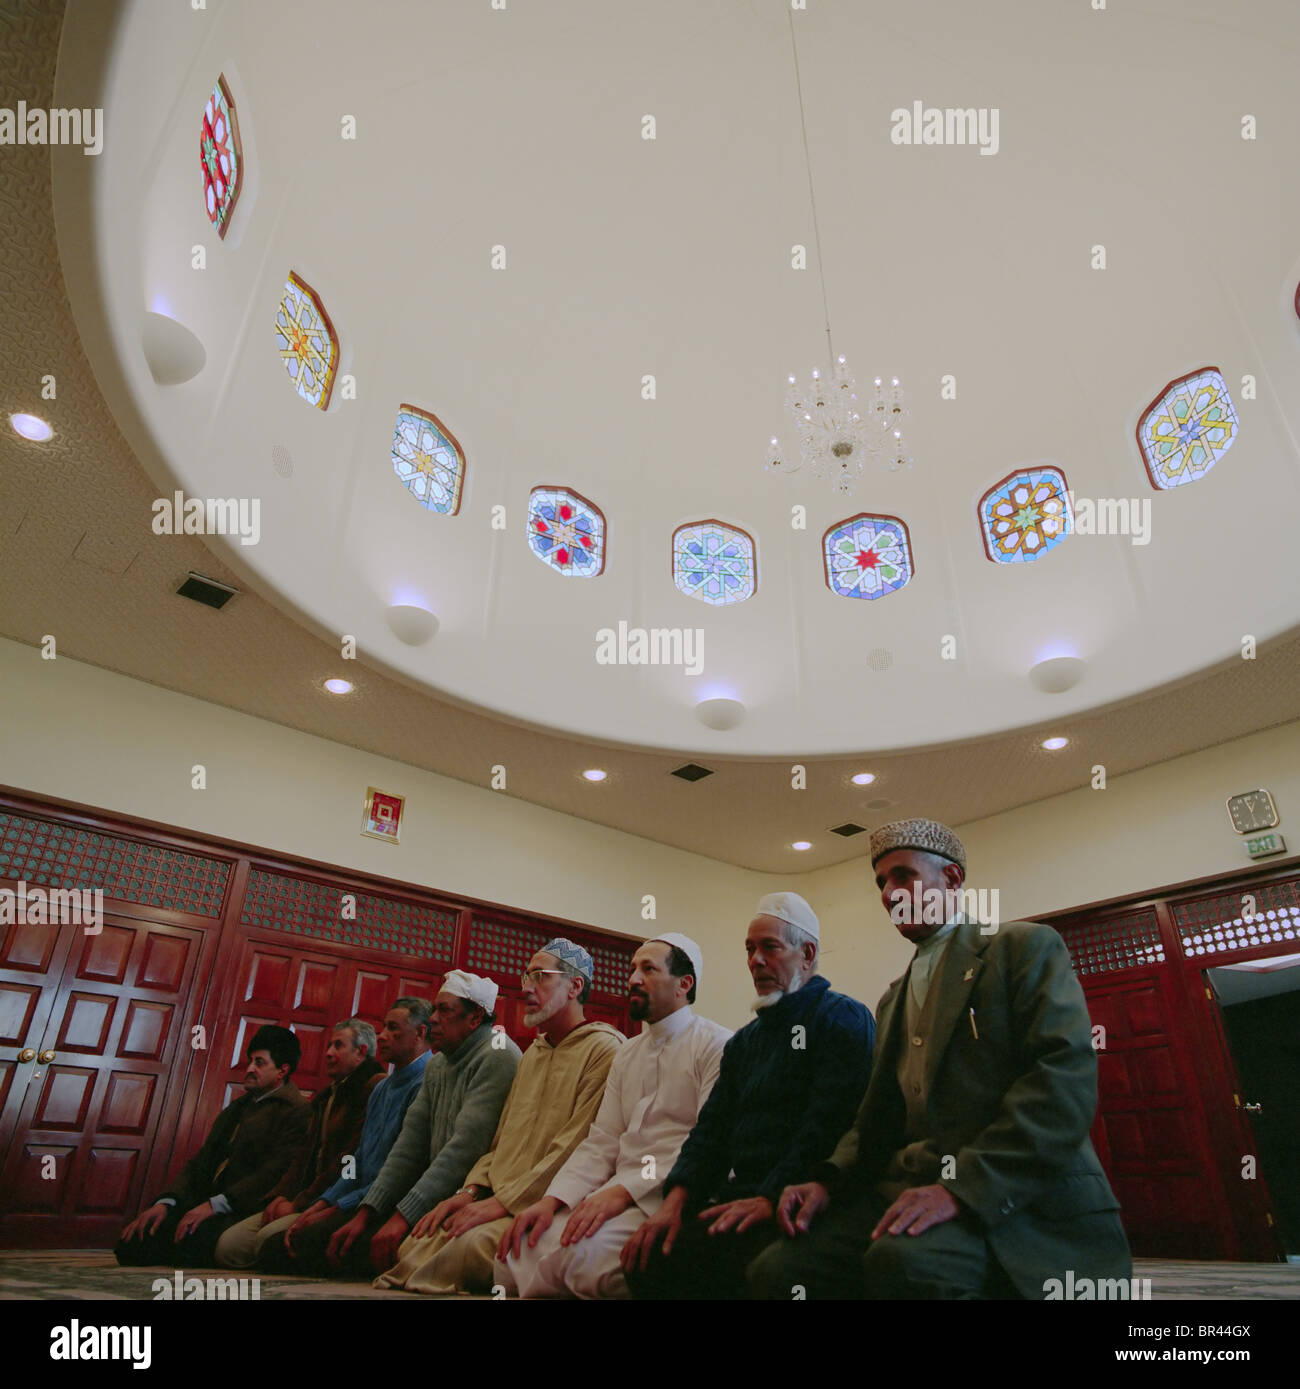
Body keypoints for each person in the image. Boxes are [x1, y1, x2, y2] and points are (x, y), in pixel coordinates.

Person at [750, 818, 1132, 1300]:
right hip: (904, 1192)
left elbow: (1061, 1086)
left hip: (1015, 1199)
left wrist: (962, 1188)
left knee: (905, 1263)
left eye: (903, 876)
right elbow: (874, 1125)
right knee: (781, 1270)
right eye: (881, 883)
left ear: (951, 880)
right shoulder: (892, 1000)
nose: (889, 893)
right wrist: (827, 1179)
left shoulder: (1021, 949)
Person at [622, 894, 874, 1299]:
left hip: (805, 1199)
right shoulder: (745, 1042)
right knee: (651, 1254)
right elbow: (712, 1133)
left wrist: (770, 1197)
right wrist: (675, 1202)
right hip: (745, 1197)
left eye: (769, 947)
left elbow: (828, 1125)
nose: (756, 960)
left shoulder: (840, 1018)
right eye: (750, 950)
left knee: (746, 1267)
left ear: (807, 954)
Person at [373, 938, 624, 1294]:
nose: (526, 988)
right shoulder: (533, 1053)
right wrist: (471, 1191)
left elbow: (575, 1148)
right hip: (502, 1196)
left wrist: (502, 1203)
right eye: (526, 976)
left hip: (547, 1202)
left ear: (575, 986)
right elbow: (501, 1140)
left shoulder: (604, 1050)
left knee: (468, 1248)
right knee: (418, 1242)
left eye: (540, 976)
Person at [497, 934, 730, 1297]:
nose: (633, 979)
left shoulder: (716, 1045)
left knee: (584, 1262)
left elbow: (709, 1141)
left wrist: (625, 1191)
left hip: (669, 1195)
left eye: (648, 969)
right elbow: (602, 1139)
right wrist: (552, 1200)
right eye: (633, 968)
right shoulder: (628, 1053)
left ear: (684, 984)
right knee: (519, 1249)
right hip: (617, 1191)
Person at [315, 971, 520, 1276]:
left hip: (472, 1196)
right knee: (322, 1242)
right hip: (429, 1196)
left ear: (475, 1017)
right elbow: (408, 1147)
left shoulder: (498, 1055)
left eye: (444, 1010)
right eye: (435, 1009)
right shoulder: (438, 1063)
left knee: (359, 1252)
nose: (434, 1018)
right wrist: (367, 1211)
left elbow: (464, 1150)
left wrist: (401, 1217)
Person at [255, 997, 433, 1275]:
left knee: (279, 1249)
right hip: (356, 1199)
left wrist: (338, 1207)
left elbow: (401, 1170)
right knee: (277, 1246)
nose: (382, 1036)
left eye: (393, 1028)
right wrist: (323, 1202)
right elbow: (357, 1160)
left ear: (420, 1034)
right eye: (383, 1027)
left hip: (388, 1204)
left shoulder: (426, 1083)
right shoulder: (382, 1089)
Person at [115, 1025, 309, 1267]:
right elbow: (201, 1161)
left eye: (260, 1063)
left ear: (282, 1070)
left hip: (239, 1209)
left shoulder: (297, 1112)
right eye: (250, 1060)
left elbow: (272, 1173)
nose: (249, 1069)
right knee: (132, 1243)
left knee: (190, 1245)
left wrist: (215, 1205)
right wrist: (166, 1203)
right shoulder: (236, 1109)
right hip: (200, 1204)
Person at [212, 1018, 384, 1268]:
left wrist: (301, 1203)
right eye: (328, 1046)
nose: (328, 1053)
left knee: (266, 1243)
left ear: (361, 1052)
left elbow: (349, 1162)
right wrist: (280, 1197)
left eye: (338, 1046)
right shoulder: (327, 1097)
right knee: (228, 1247)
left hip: (336, 1200)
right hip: (303, 1197)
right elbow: (303, 1157)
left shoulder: (372, 1089)